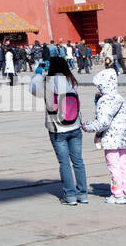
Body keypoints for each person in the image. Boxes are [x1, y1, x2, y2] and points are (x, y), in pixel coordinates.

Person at [31, 56, 88, 206]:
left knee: (64, 163)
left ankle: (70, 195)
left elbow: (34, 90)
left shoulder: (47, 82)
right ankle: (83, 194)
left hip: (57, 128)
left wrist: (38, 74)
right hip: (75, 126)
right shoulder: (71, 80)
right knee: (78, 162)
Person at [81, 68, 126, 204]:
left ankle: (117, 194)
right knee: (123, 165)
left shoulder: (105, 100)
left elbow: (102, 123)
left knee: (113, 166)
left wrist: (87, 126)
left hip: (110, 138)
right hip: (122, 137)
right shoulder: (119, 97)